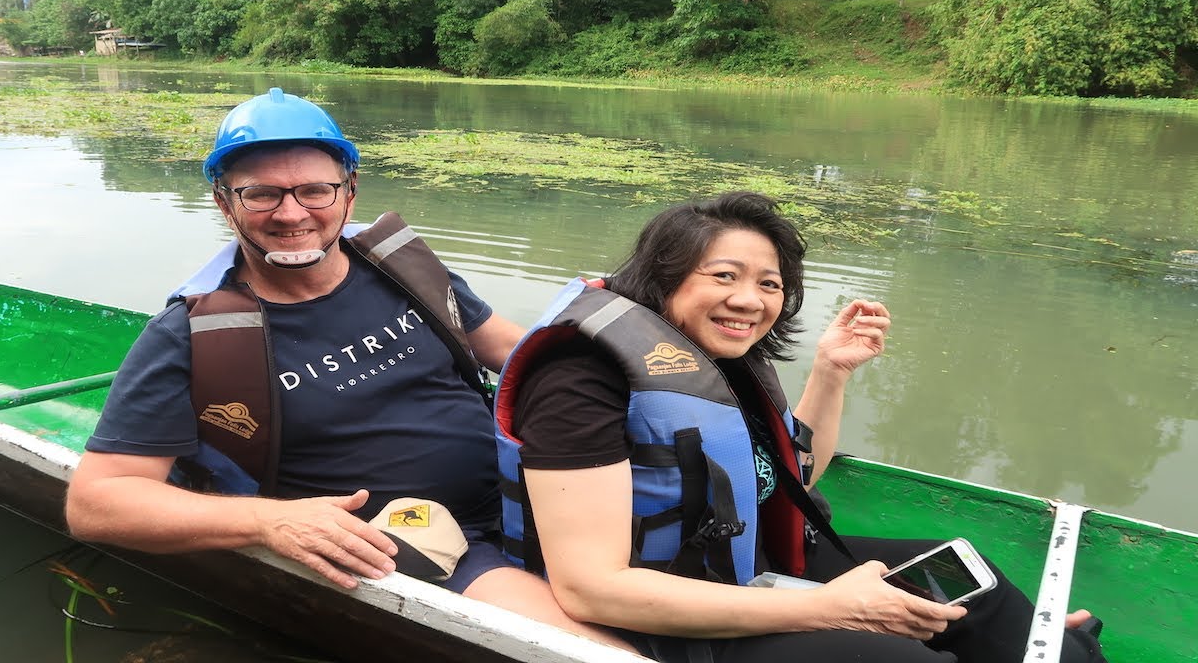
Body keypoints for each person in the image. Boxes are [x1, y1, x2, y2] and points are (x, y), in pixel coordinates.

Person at [64, 88, 629, 650]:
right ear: (224, 203)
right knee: (609, 655)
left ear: (350, 192)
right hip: (425, 545)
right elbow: (97, 503)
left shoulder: (401, 267)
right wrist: (269, 523)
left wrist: (635, 352)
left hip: (536, 488)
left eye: (315, 190)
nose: (291, 213)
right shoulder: (189, 336)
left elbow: (510, 348)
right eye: (260, 194)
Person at [494, 191, 1108, 662]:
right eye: (724, 275)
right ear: (664, 275)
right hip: (661, 614)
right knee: (896, 656)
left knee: (977, 589)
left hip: (747, 567)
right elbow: (590, 590)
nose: (751, 300)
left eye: (770, 284)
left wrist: (832, 372)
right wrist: (825, 609)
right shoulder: (580, 378)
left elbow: (788, 473)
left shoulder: (717, 358)